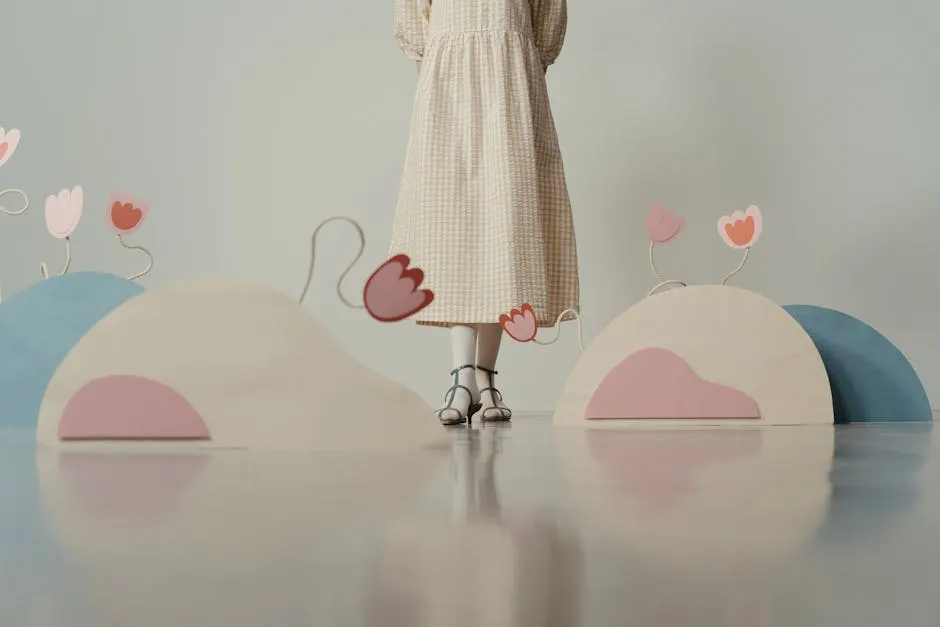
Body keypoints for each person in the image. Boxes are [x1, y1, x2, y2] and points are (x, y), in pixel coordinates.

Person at [391, 0, 579, 426]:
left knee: (503, 231)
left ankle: (484, 376)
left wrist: (517, 73)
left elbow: (545, 26)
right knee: (453, 230)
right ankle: (462, 377)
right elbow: (416, 29)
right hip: (448, 93)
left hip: (509, 92)